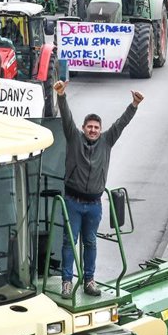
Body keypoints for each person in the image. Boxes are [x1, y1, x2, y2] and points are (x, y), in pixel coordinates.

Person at [54, 80, 143, 299]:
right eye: (89, 127)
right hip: (73, 203)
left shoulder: (107, 141)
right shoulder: (74, 138)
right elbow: (66, 118)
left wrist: (134, 105)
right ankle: (67, 282)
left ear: (100, 130)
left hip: (94, 204)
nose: (93, 130)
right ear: (83, 129)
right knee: (69, 242)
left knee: (90, 242)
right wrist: (61, 96)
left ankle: (89, 281)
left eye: (96, 127)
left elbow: (121, 124)